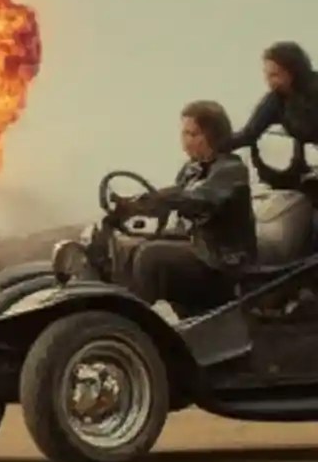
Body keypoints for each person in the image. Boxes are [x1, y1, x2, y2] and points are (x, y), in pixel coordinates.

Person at [115, 101, 257, 314]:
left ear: (214, 135)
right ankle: (116, 312)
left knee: (150, 256)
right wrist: (132, 206)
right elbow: (171, 197)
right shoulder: (191, 170)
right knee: (131, 246)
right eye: (184, 134)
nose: (186, 142)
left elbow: (197, 200)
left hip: (222, 263)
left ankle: (137, 324)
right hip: (200, 247)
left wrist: (160, 199)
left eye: (194, 134)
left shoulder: (231, 169)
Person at [225, 41, 318, 150]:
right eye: (267, 75)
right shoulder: (275, 100)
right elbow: (249, 134)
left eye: (274, 75)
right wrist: (214, 146)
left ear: (292, 72)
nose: (268, 81)